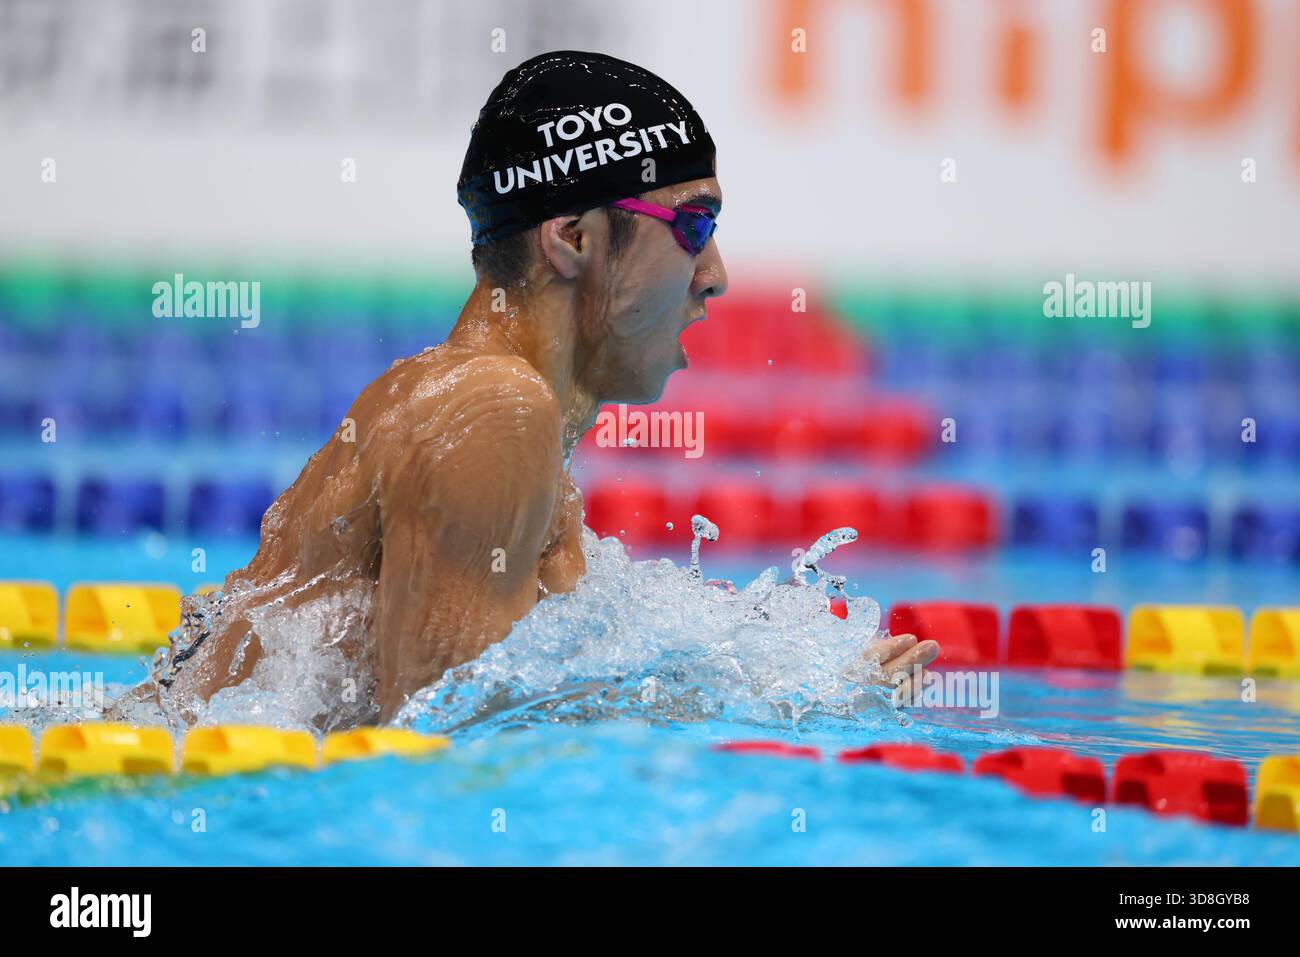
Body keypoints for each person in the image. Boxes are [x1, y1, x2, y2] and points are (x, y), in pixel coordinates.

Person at [112, 51, 939, 729]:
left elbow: (466, 701)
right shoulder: (494, 412)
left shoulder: (476, 403)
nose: (716, 277)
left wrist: (770, 694)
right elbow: (439, 744)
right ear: (573, 238)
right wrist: (761, 717)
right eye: (695, 226)